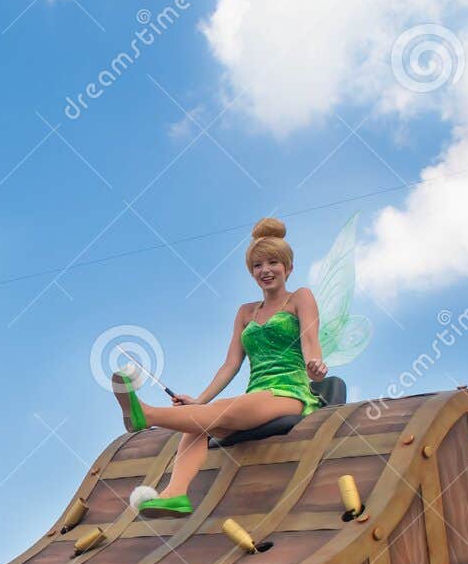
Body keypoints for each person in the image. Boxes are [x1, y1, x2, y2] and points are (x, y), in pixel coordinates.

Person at [112, 217, 327, 516]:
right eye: (257, 266)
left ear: (288, 267)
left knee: (211, 414)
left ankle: (146, 415)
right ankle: (175, 494)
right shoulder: (245, 312)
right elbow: (231, 364)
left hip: (288, 392)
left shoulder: (300, 297)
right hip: (256, 394)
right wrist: (198, 401)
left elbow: (310, 341)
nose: (265, 270)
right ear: (251, 273)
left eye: (273, 262)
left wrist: (314, 365)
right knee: (198, 420)